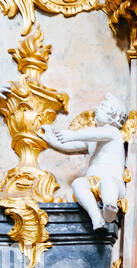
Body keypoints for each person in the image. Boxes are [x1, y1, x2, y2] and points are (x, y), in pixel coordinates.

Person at [41, 93, 128, 230]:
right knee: (78, 183)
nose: (97, 108)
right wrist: (51, 139)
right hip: (93, 182)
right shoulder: (92, 140)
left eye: (103, 107)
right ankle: (96, 216)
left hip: (114, 184)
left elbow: (91, 133)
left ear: (113, 116)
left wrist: (72, 135)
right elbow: (69, 146)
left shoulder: (113, 132)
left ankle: (110, 207)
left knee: (107, 182)